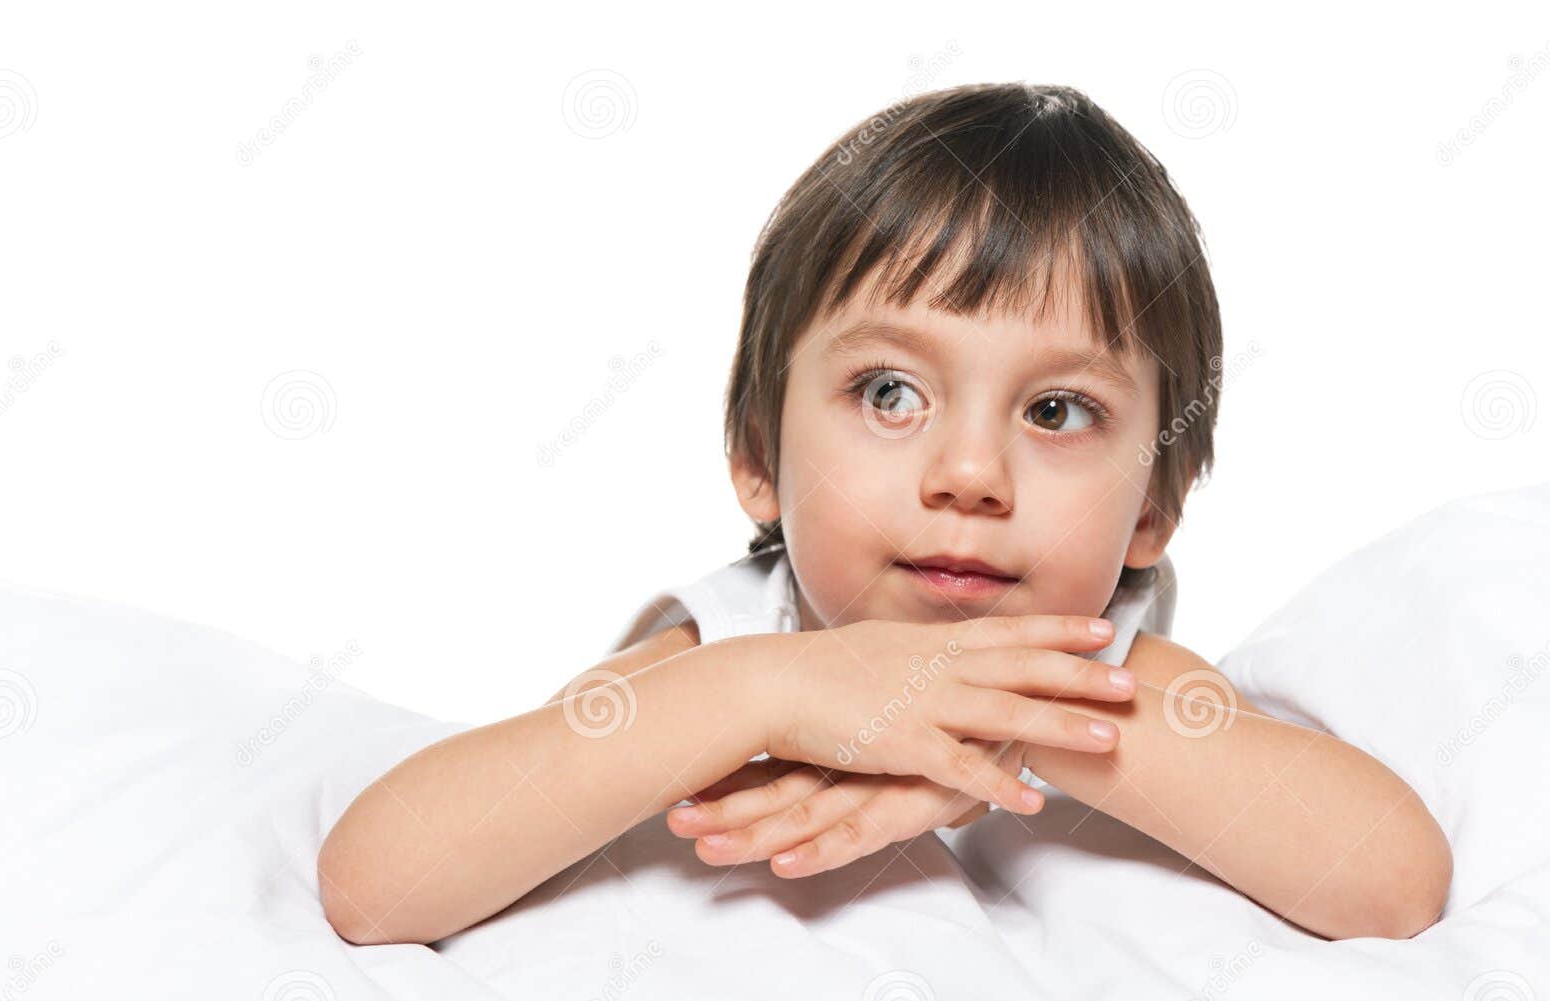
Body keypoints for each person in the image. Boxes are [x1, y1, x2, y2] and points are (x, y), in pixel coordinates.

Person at [318, 83, 1451, 947]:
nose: (970, 472)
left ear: (1151, 508)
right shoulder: (725, 645)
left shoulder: (1116, 677)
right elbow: (376, 883)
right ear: (760, 459)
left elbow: (1393, 883)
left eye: (1056, 409)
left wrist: (1017, 721)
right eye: (889, 393)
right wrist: (764, 690)